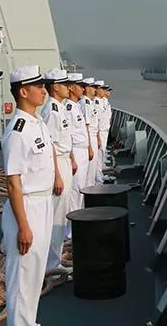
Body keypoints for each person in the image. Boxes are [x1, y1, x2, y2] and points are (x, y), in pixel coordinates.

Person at [1, 65, 61, 324]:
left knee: (35, 274)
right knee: (23, 277)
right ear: (23, 92)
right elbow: (13, 182)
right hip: (27, 207)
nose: (43, 90)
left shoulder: (37, 124)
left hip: (43, 202)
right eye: (38, 87)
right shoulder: (18, 130)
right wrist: (23, 226)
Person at [41, 68, 76, 278]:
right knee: (55, 216)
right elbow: (50, 146)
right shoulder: (51, 111)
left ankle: (54, 259)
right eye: (64, 84)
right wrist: (56, 175)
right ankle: (51, 265)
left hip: (64, 161)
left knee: (60, 214)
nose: (68, 88)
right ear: (55, 87)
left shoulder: (59, 108)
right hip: (58, 165)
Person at [65, 74, 91, 232]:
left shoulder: (75, 106)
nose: (83, 88)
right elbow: (66, 135)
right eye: (79, 85)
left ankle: (80, 220)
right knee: (75, 190)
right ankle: (71, 230)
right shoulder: (68, 108)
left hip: (82, 149)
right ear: (70, 87)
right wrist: (72, 158)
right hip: (76, 150)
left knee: (80, 187)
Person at [81, 78, 99, 187]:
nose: (95, 90)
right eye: (92, 87)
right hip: (89, 138)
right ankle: (90, 192)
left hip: (92, 136)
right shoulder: (86, 103)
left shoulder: (89, 102)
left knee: (92, 168)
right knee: (90, 170)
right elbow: (86, 126)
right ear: (87, 88)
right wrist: (90, 147)